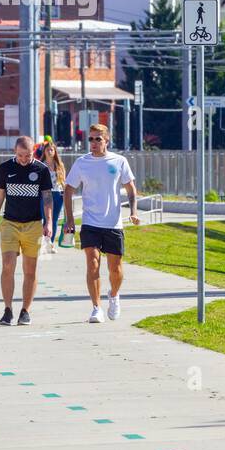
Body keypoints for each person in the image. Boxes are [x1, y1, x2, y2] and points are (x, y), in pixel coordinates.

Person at [62, 123, 140, 323]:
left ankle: (113, 295)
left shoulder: (119, 161)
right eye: (91, 139)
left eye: (98, 139)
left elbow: (130, 189)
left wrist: (133, 212)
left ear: (107, 141)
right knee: (93, 262)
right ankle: (96, 308)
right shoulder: (82, 163)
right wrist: (70, 219)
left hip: (113, 223)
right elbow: (68, 190)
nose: (94, 143)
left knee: (115, 269)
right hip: (90, 222)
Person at [0, 136, 53, 325]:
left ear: (33, 152)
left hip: (33, 225)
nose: (24, 159)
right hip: (10, 224)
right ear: (15, 152)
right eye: (20, 155)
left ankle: (25, 310)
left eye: (28, 155)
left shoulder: (41, 170)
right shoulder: (6, 168)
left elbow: (47, 197)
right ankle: (7, 310)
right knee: (8, 265)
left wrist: (49, 222)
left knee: (30, 269)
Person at [37, 136, 69, 253]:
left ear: (55, 151)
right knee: (45, 219)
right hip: (45, 194)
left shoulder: (59, 165)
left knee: (54, 219)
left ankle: (50, 242)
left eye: (52, 150)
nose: (50, 152)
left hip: (58, 194)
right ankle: (45, 242)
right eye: (48, 150)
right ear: (44, 152)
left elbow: (64, 181)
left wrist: (65, 193)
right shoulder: (41, 165)